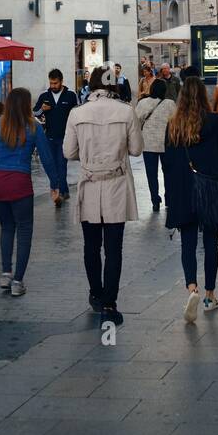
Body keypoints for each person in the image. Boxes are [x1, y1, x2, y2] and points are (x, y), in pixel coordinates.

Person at [63, 63, 143, 328]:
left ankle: (95, 293)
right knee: (113, 248)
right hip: (116, 184)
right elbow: (135, 150)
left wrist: (87, 156)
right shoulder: (126, 111)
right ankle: (110, 303)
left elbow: (68, 152)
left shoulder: (77, 113)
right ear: (112, 84)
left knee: (91, 245)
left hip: (89, 183)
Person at [164, 77, 218, 323]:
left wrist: (169, 195)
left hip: (183, 190)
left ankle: (191, 289)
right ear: (204, 97)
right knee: (210, 243)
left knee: (187, 243)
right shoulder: (214, 121)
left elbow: (168, 164)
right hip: (210, 188)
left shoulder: (173, 125)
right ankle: (209, 295)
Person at [0, 86, 60, 296]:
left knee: (6, 228)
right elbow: (47, 158)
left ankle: (5, 273)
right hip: (19, 182)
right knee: (24, 231)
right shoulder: (33, 127)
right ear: (27, 104)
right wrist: (55, 184)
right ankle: (18, 281)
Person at [33, 69, 79, 203]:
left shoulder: (70, 95)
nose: (53, 86)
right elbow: (35, 112)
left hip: (66, 137)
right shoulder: (44, 95)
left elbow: (76, 113)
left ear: (61, 81)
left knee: (61, 165)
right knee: (52, 165)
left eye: (55, 83)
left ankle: (61, 191)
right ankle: (60, 191)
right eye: (51, 83)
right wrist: (42, 109)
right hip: (50, 137)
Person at [135, 77, 175, 211]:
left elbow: (136, 122)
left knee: (151, 173)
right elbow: (175, 123)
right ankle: (169, 198)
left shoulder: (142, 103)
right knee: (169, 171)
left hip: (148, 144)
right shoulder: (170, 103)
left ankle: (155, 200)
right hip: (167, 143)